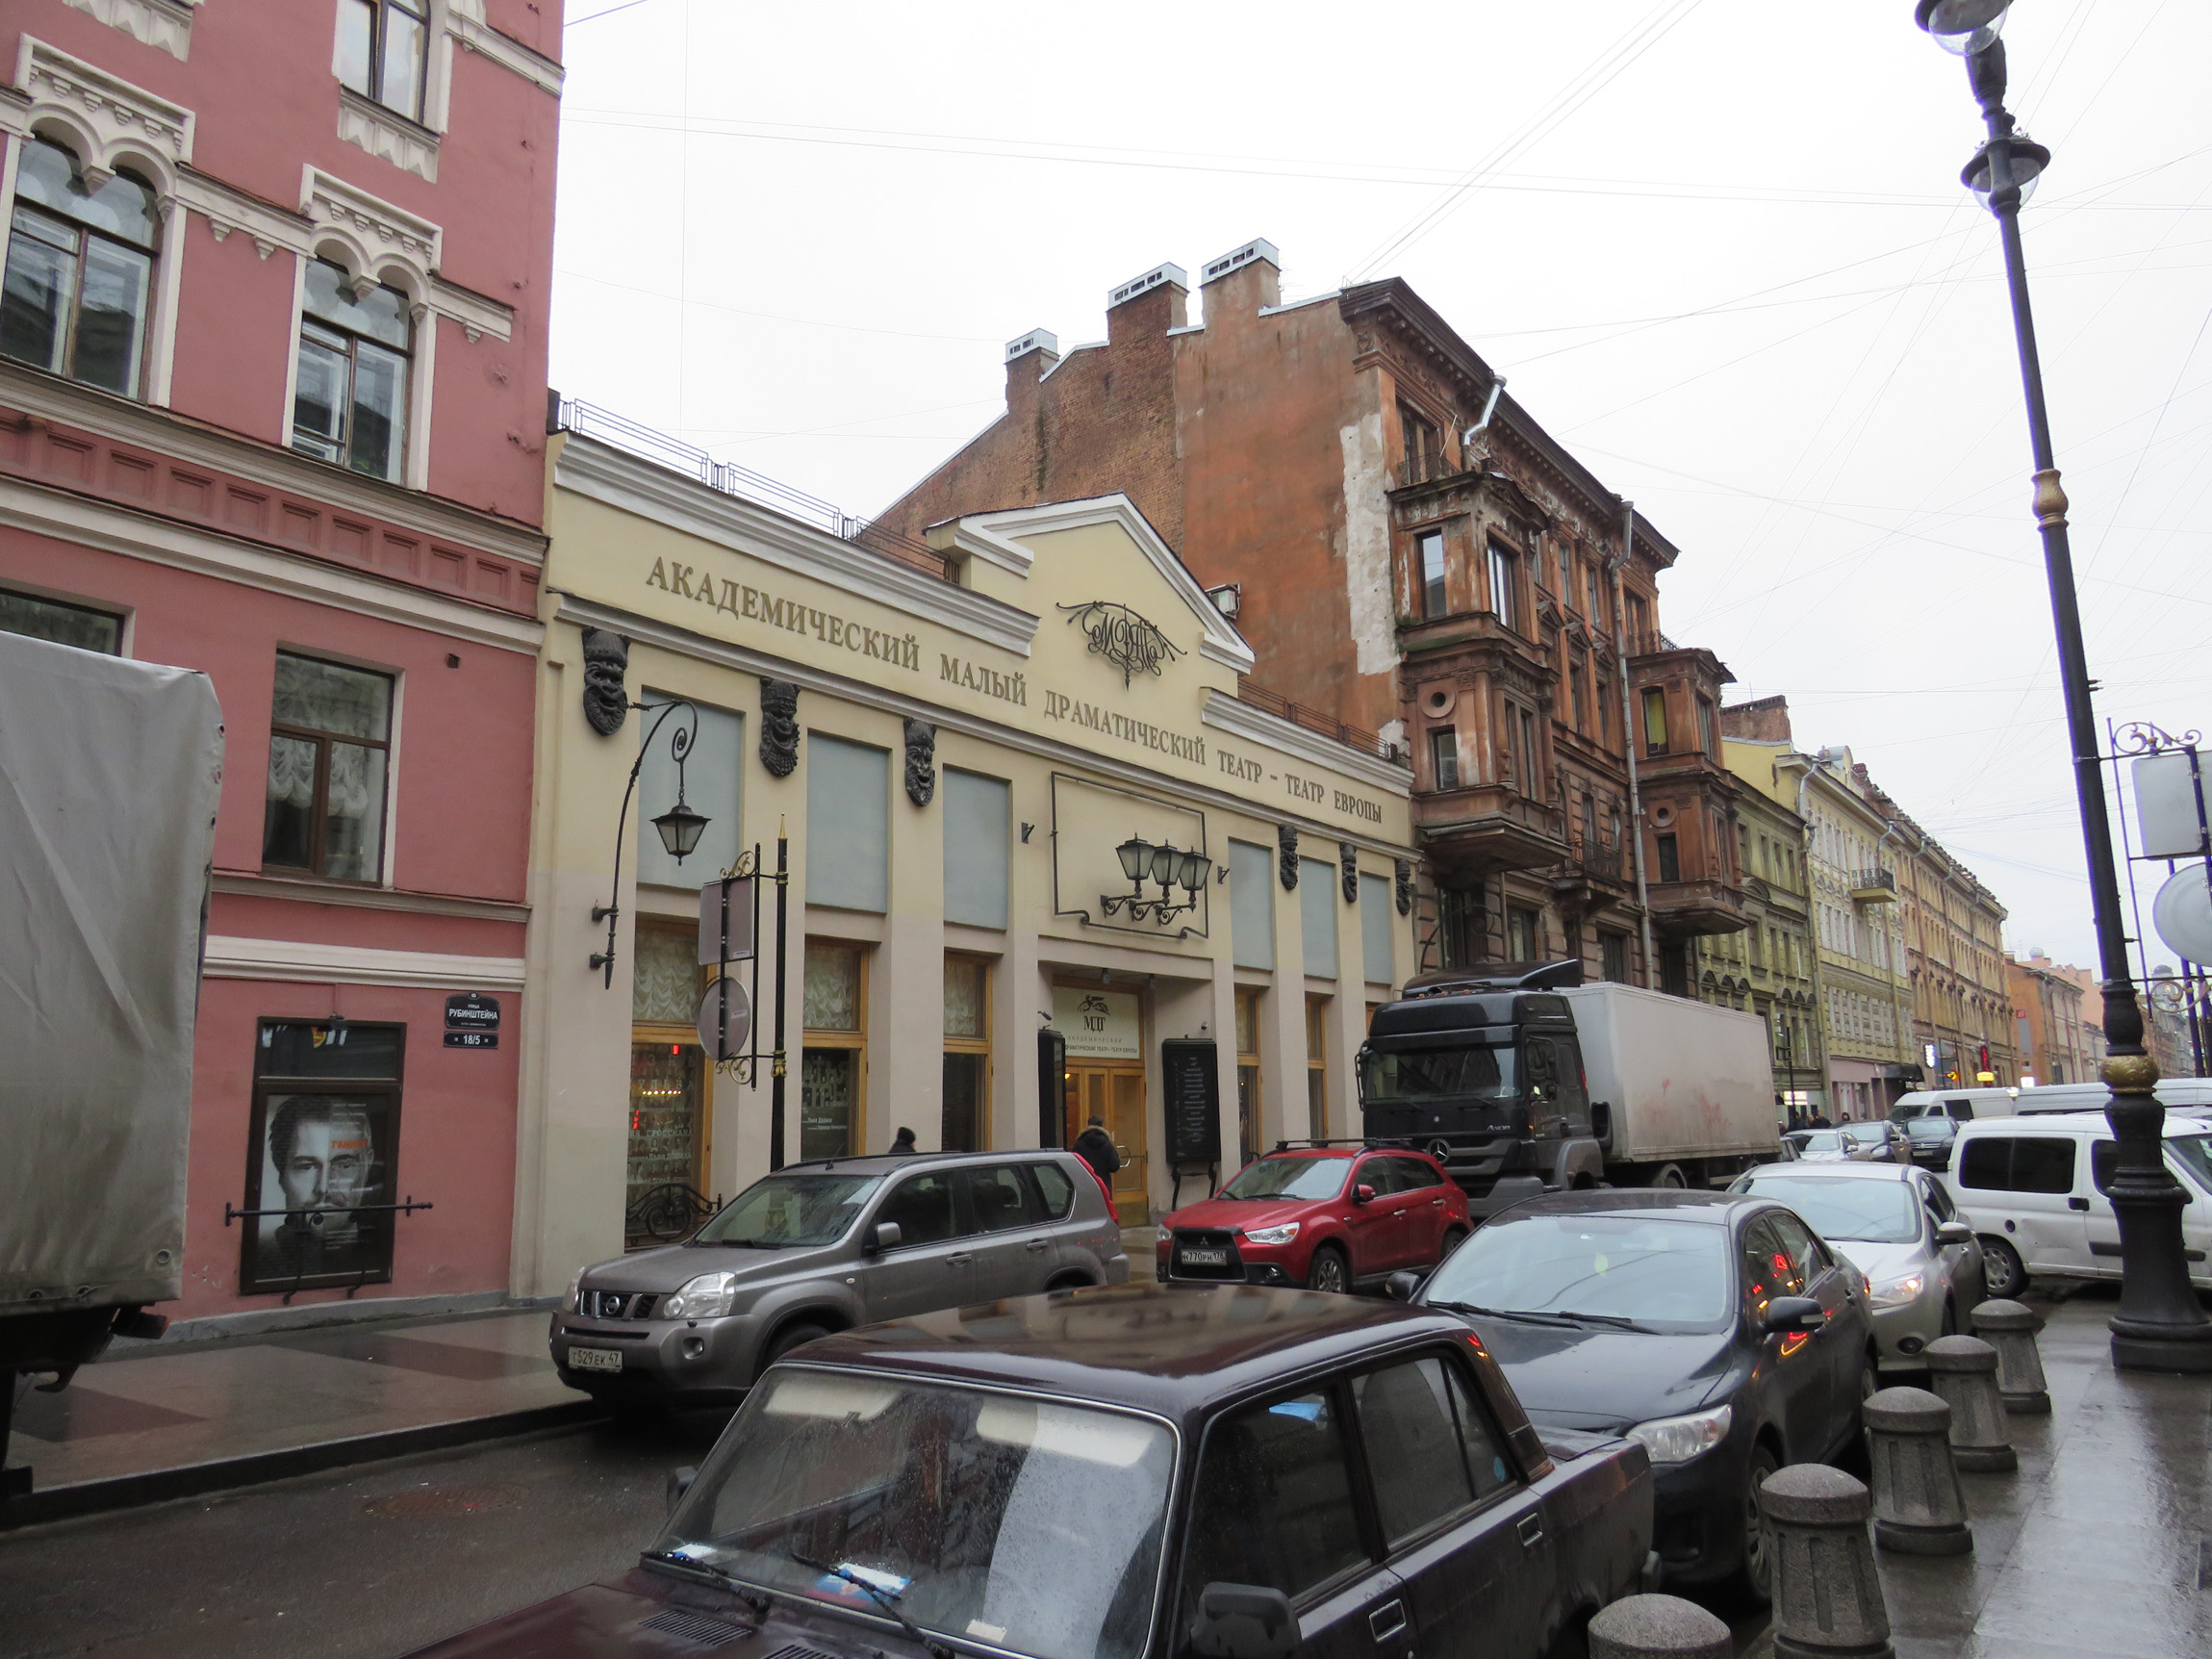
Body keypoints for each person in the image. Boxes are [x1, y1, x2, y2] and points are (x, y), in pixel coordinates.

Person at [1073, 1114, 1120, 1182]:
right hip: (1103, 1183)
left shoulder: (1079, 1143)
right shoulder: (1107, 1144)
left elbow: (1074, 1165)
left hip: (1084, 1182)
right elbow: (1114, 1166)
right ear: (1102, 1126)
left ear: (1088, 1125)